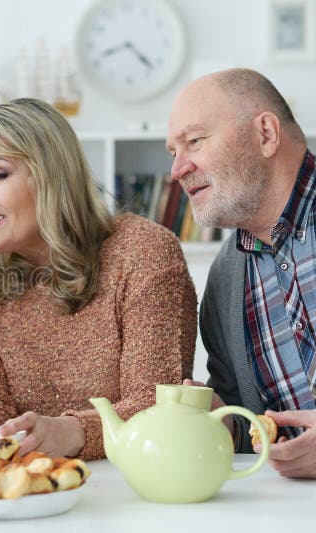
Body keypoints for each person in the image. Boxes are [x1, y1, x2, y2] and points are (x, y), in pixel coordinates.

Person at [0, 98, 197, 460]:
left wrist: (72, 432)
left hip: (133, 484)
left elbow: (159, 404)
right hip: (25, 488)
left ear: (51, 175)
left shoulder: (142, 252)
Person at [167, 68, 316, 478]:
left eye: (194, 141)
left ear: (266, 134)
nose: (177, 170)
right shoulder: (225, 277)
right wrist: (213, 416)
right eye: (172, 153)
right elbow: (248, 430)